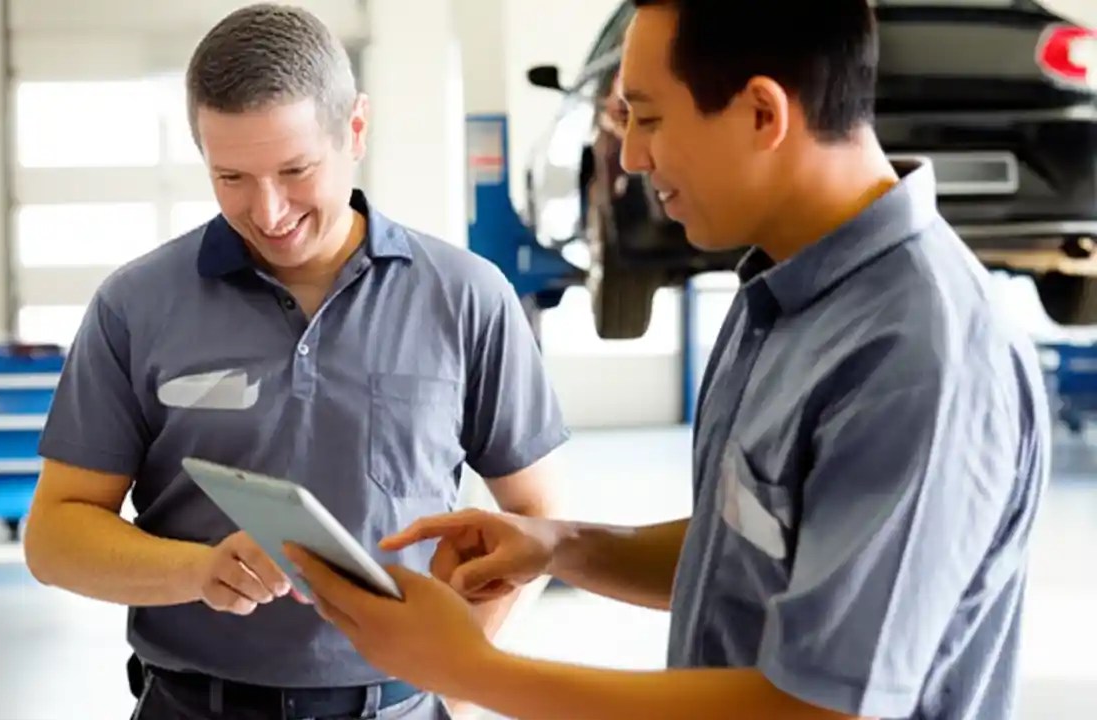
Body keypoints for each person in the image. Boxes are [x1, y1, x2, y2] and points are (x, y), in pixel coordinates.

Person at [285, 1, 1051, 719]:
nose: (633, 157)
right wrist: (564, 548)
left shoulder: (916, 355)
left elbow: (822, 708)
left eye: (646, 118)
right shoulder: (783, 302)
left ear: (762, 113)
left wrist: (469, 671)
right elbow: (763, 546)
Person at [21, 4, 569, 719]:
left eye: (295, 169)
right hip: (190, 707)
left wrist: (458, 687)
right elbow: (56, 535)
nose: (269, 211)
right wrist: (198, 570)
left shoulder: (466, 298)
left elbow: (538, 515)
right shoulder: (135, 305)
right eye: (232, 178)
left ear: (357, 130)